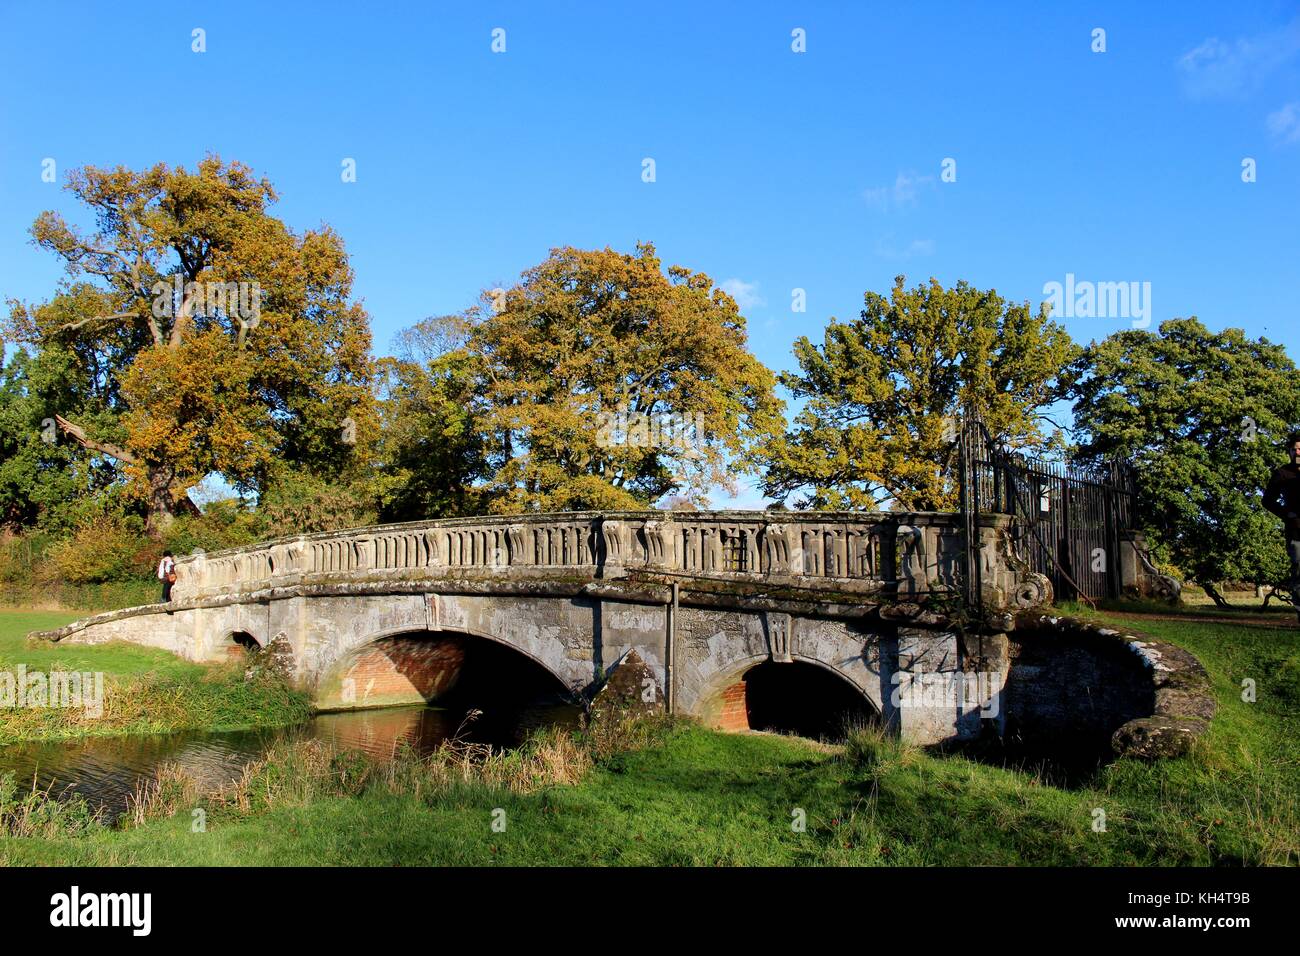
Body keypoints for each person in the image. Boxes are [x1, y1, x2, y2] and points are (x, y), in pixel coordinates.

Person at [1263, 432, 1300, 620]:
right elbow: (1267, 500)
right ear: (1289, 452)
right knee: (1299, 570)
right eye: (1294, 449)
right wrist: (1287, 514)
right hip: (1296, 531)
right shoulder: (1282, 474)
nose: (1297, 452)